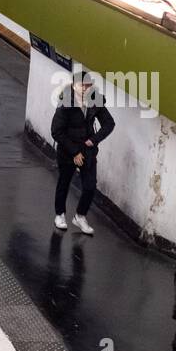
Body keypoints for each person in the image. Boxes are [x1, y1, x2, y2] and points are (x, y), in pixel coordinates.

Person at [50, 70, 114, 234]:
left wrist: (94, 139)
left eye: (87, 85)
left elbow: (109, 123)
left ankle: (80, 216)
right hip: (67, 149)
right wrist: (74, 153)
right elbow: (56, 131)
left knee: (90, 186)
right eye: (81, 85)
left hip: (87, 150)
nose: (84, 89)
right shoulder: (66, 103)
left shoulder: (95, 101)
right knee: (64, 182)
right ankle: (60, 214)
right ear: (73, 85)